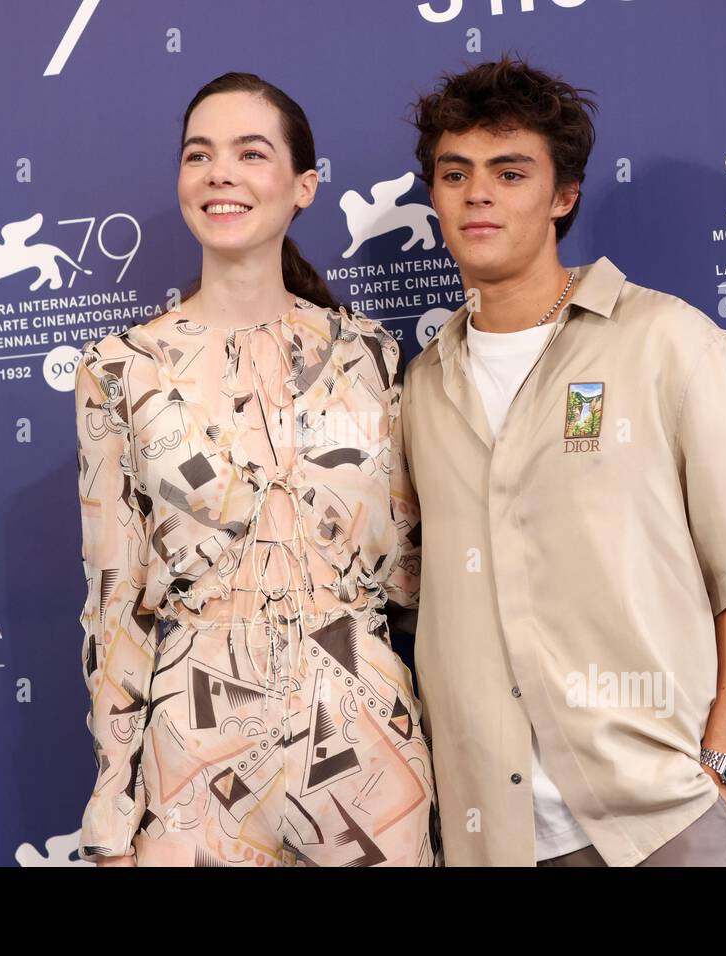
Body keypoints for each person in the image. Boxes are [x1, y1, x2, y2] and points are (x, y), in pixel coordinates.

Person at [399, 54, 726, 866]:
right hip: (499, 833)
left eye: (509, 171)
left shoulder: (667, 341)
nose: (478, 193)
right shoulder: (420, 386)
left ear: (562, 196)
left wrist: (720, 765)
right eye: (456, 174)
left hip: (662, 815)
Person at [73, 72, 437, 867]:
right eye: (198, 154)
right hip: (193, 744)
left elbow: (414, 579)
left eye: (250, 152)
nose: (220, 173)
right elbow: (115, 604)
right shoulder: (120, 369)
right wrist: (111, 812)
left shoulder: (369, 354)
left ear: (304, 186)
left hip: (364, 725)